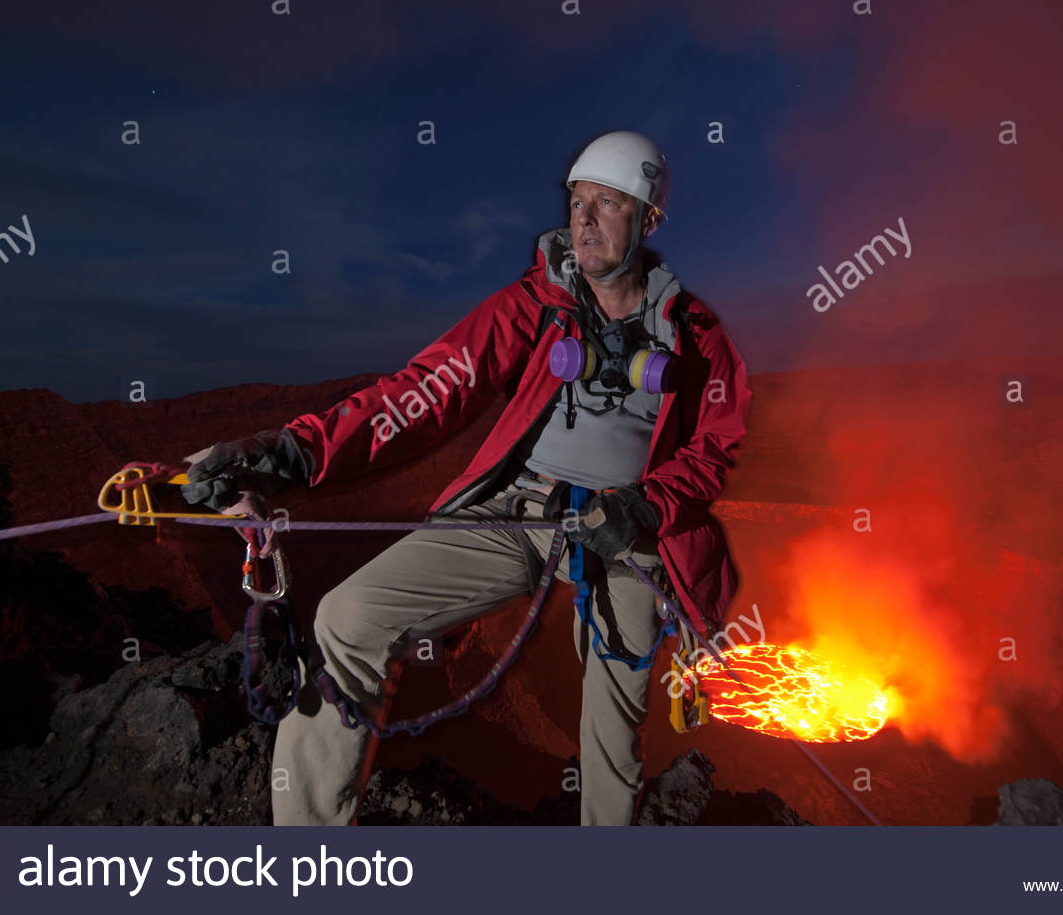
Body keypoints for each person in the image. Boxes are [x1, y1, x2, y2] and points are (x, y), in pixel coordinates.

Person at [181, 130, 752, 825]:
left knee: (614, 714)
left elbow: (714, 448)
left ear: (649, 219)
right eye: (578, 202)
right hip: (522, 510)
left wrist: (647, 506)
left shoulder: (695, 335)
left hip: (625, 530)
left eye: (609, 203)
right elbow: (421, 395)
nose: (586, 219)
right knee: (348, 618)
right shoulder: (533, 308)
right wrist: (289, 453)